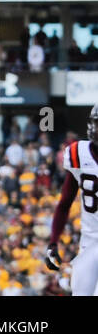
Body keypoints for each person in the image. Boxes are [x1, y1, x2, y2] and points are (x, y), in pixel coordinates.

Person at [48, 111, 98, 295]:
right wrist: (53, 241)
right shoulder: (79, 152)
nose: (95, 128)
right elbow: (65, 203)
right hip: (89, 242)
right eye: (95, 122)